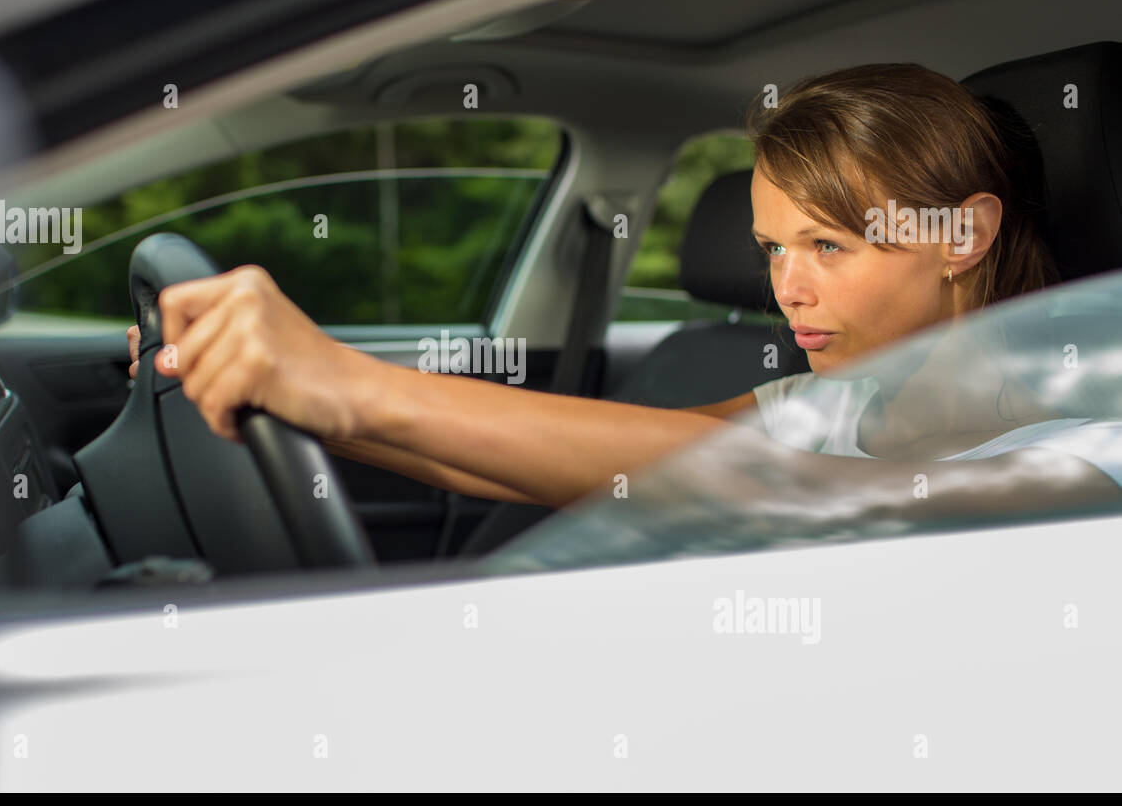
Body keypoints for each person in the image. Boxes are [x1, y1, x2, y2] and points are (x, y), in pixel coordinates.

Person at [126, 63, 1122, 518]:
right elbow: (583, 464)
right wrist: (269, 392)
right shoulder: (837, 401)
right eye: (771, 246)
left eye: (826, 243)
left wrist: (340, 377)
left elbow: (813, 493)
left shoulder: (1088, 449)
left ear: (962, 234)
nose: (787, 288)